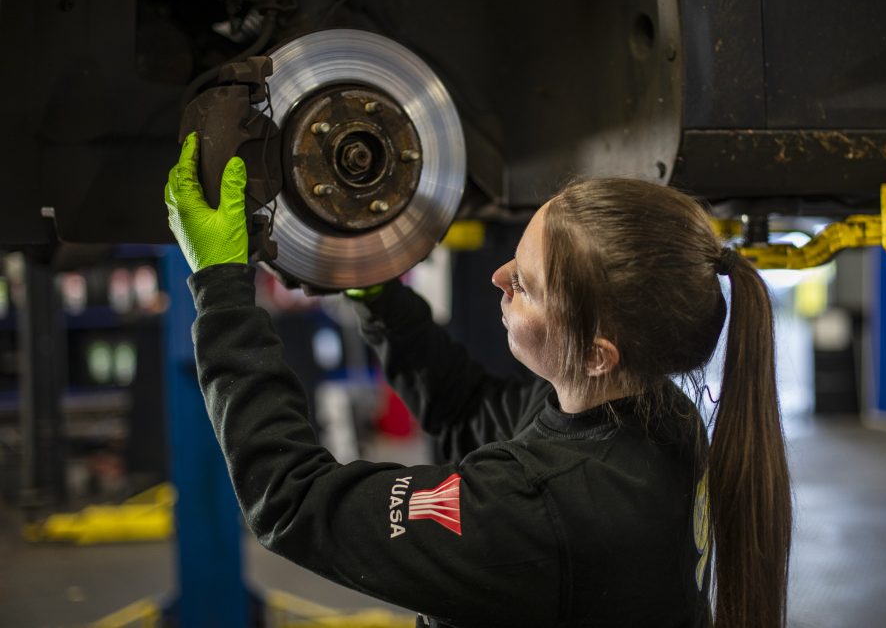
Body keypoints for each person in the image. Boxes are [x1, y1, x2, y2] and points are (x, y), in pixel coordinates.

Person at [165, 132, 792, 628]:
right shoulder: (650, 417)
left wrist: (220, 290)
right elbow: (466, 409)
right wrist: (378, 292)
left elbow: (292, 500)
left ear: (597, 354)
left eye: (525, 285)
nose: (498, 278)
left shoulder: (537, 508)